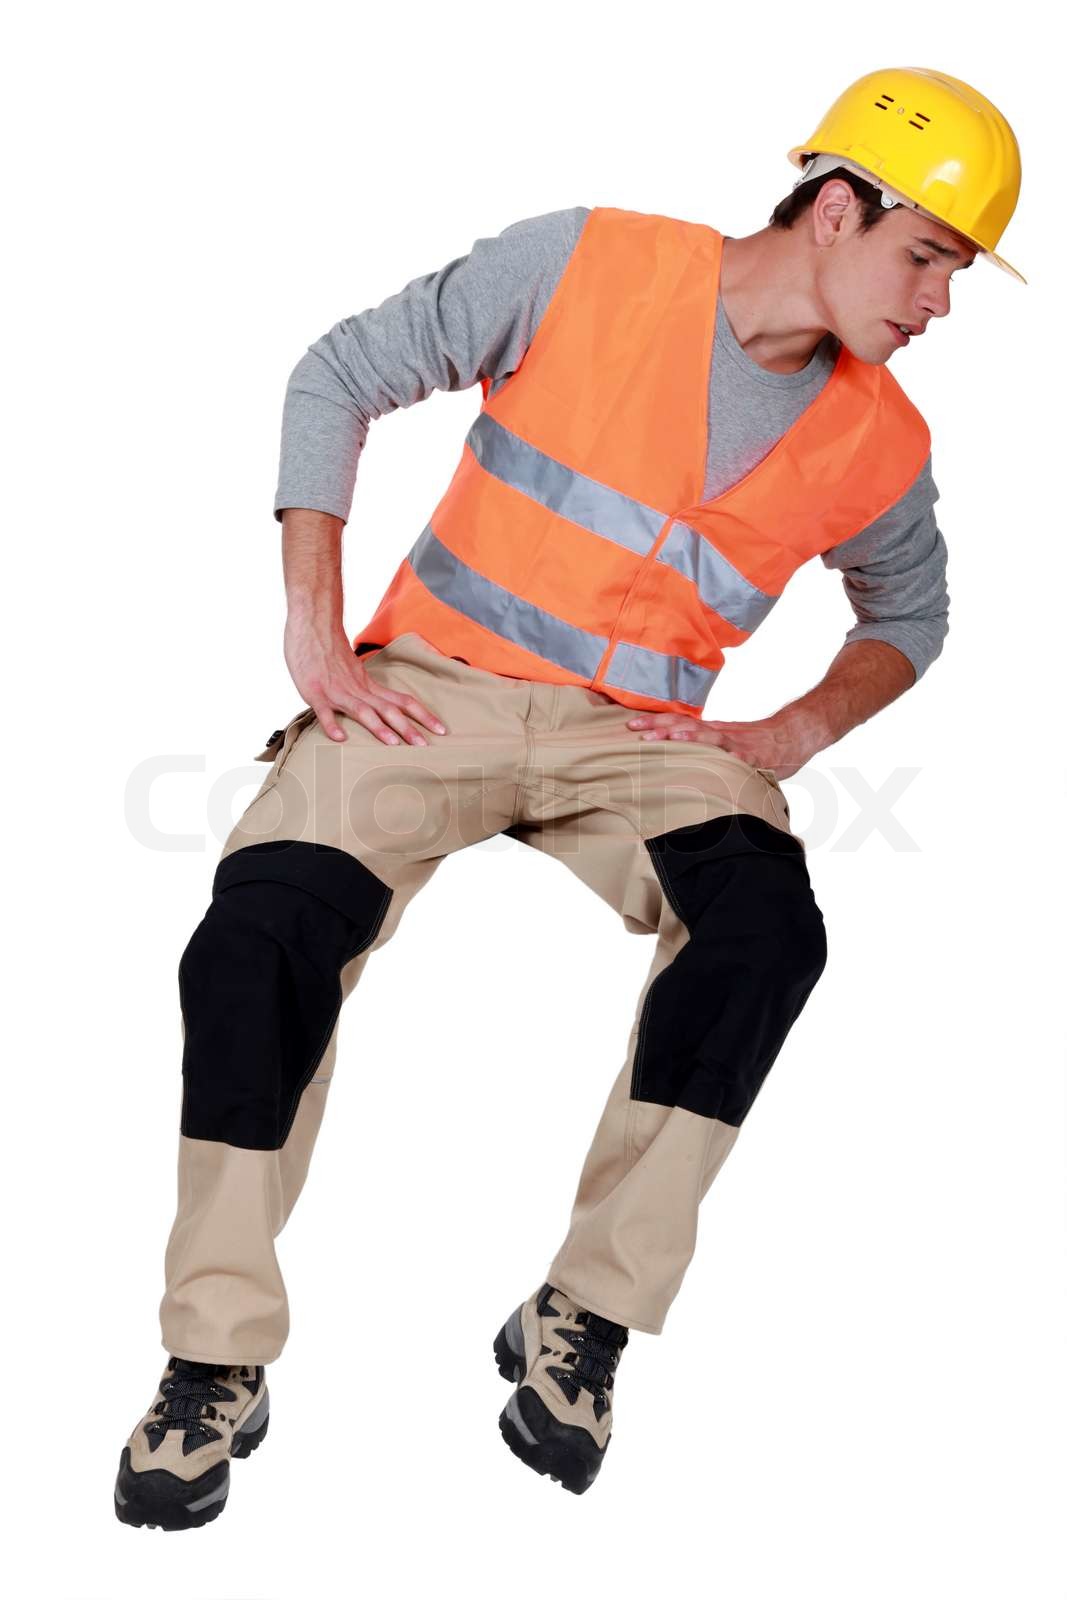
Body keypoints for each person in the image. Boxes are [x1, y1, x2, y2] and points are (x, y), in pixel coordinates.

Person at [114, 65, 1024, 1528]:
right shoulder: (589, 263)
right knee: (260, 933)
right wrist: (314, 630)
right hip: (429, 691)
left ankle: (583, 1313)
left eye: (958, 273)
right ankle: (213, 1353)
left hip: (644, 743)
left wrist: (789, 732)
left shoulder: (882, 440)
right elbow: (338, 371)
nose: (940, 303)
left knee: (765, 930)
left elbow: (909, 617)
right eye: (928, 256)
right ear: (836, 209)